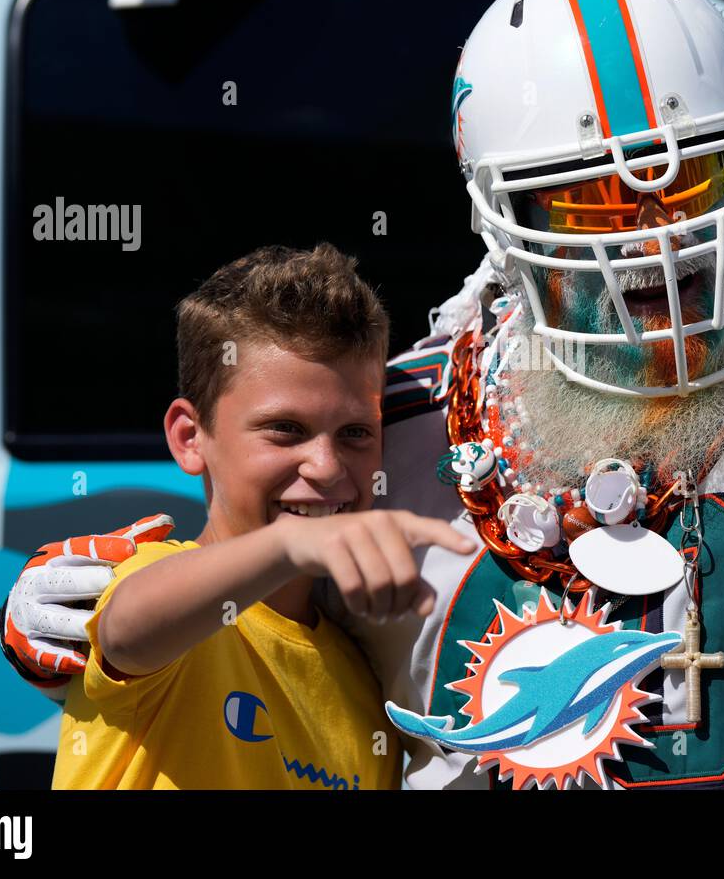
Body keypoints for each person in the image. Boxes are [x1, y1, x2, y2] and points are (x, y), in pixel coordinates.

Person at [1, 0, 724, 789]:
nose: (650, 239)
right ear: (503, 216)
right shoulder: (415, 411)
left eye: (691, 181)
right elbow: (231, 580)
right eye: (588, 199)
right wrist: (66, 598)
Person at [42, 244, 474, 789]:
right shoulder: (154, 578)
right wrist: (293, 544)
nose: (325, 465)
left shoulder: (363, 681)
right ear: (189, 437)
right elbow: (126, 629)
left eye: (356, 433)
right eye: (285, 430)